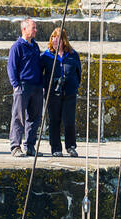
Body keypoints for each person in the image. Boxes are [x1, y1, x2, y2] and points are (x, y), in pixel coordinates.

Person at [41, 27, 80, 157]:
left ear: (64, 40)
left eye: (57, 37)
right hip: (53, 94)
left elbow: (78, 73)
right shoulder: (46, 56)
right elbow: (41, 73)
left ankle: (70, 146)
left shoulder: (73, 55)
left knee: (69, 121)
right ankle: (56, 148)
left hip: (69, 94)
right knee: (54, 121)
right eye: (52, 37)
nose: (54, 40)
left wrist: (73, 86)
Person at [7, 17, 43, 157]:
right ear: (24, 29)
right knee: (18, 117)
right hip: (23, 86)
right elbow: (11, 67)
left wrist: (41, 84)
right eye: (33, 27)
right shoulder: (17, 46)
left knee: (34, 118)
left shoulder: (35, 46)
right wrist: (16, 85)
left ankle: (30, 146)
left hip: (36, 87)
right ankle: (15, 146)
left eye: (35, 27)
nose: (35, 30)